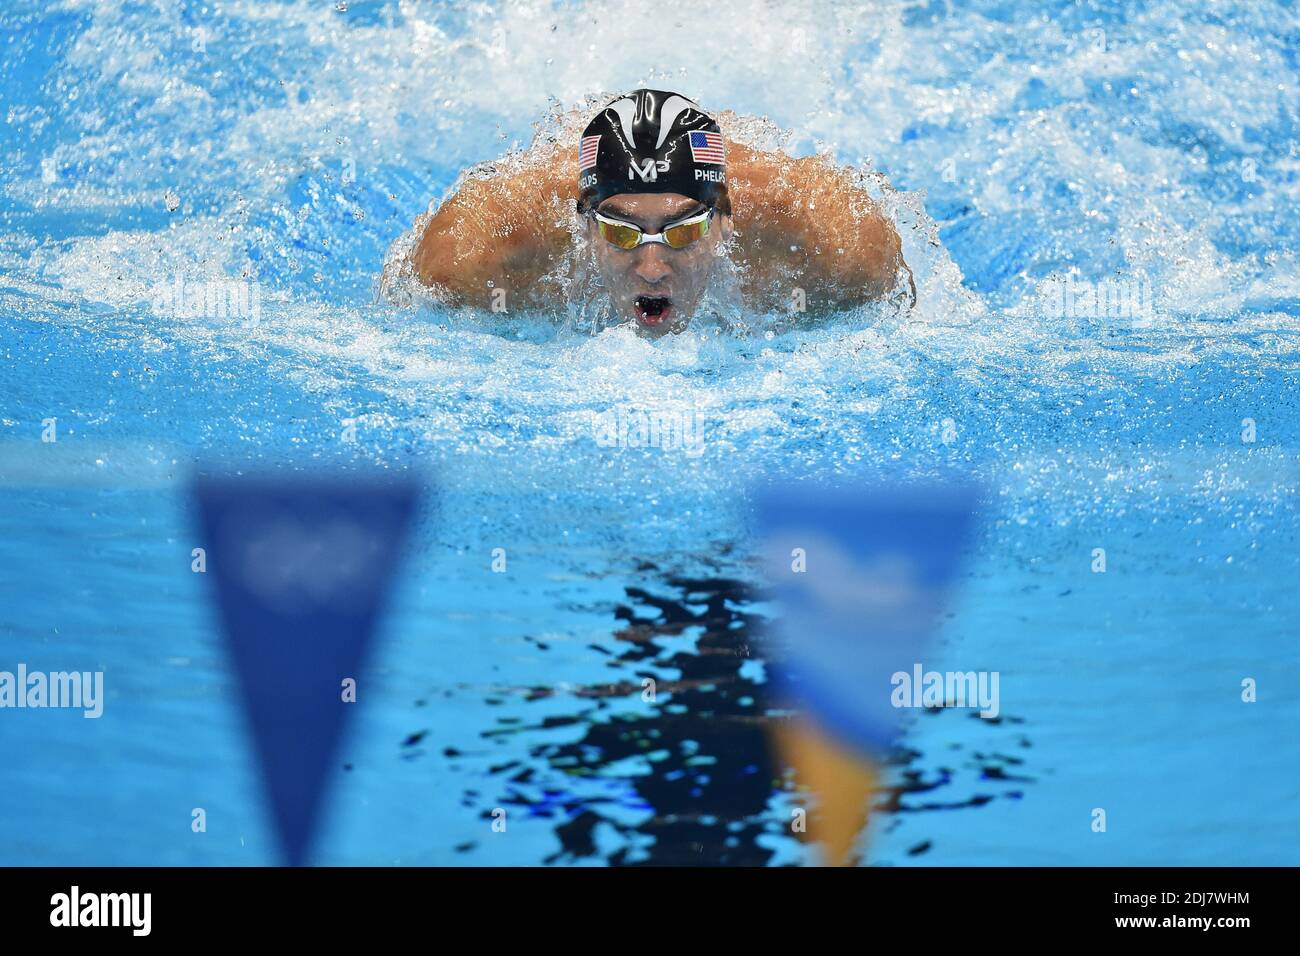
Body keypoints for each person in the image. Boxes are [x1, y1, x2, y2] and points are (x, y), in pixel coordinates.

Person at [400, 89, 910, 337]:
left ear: (725, 218)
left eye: (684, 230)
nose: (651, 267)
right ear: (582, 222)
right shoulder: (475, 258)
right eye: (622, 233)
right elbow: (400, 301)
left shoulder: (835, 247)